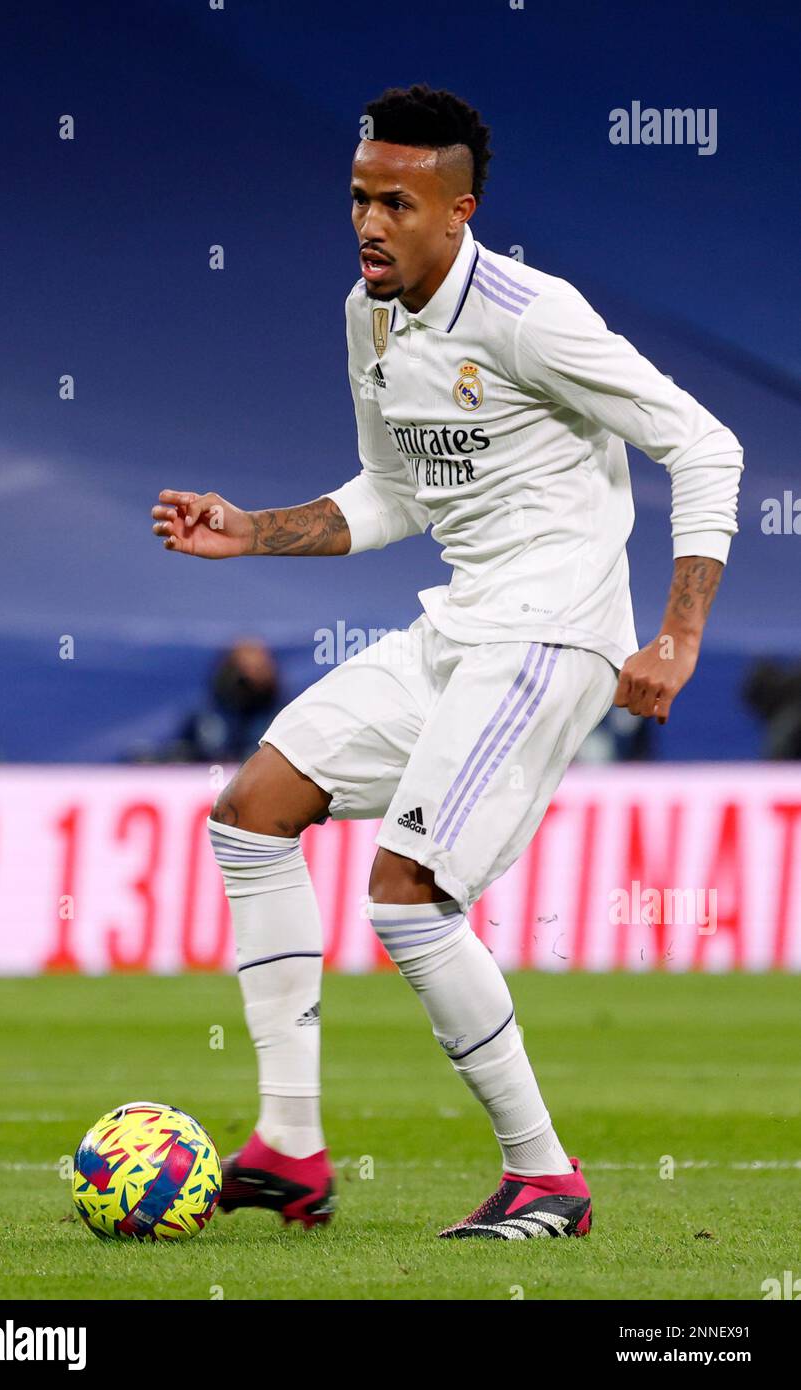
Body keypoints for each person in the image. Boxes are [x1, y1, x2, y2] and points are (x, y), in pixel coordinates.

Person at [151, 84, 743, 1240]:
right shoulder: (368, 318)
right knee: (249, 811)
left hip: (549, 635)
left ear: (457, 211)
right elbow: (393, 493)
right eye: (359, 198)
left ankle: (544, 1175)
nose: (370, 223)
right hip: (460, 624)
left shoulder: (531, 315)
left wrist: (675, 633)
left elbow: (703, 442)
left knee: (407, 895)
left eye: (397, 203)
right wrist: (253, 526)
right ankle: (291, 1144)